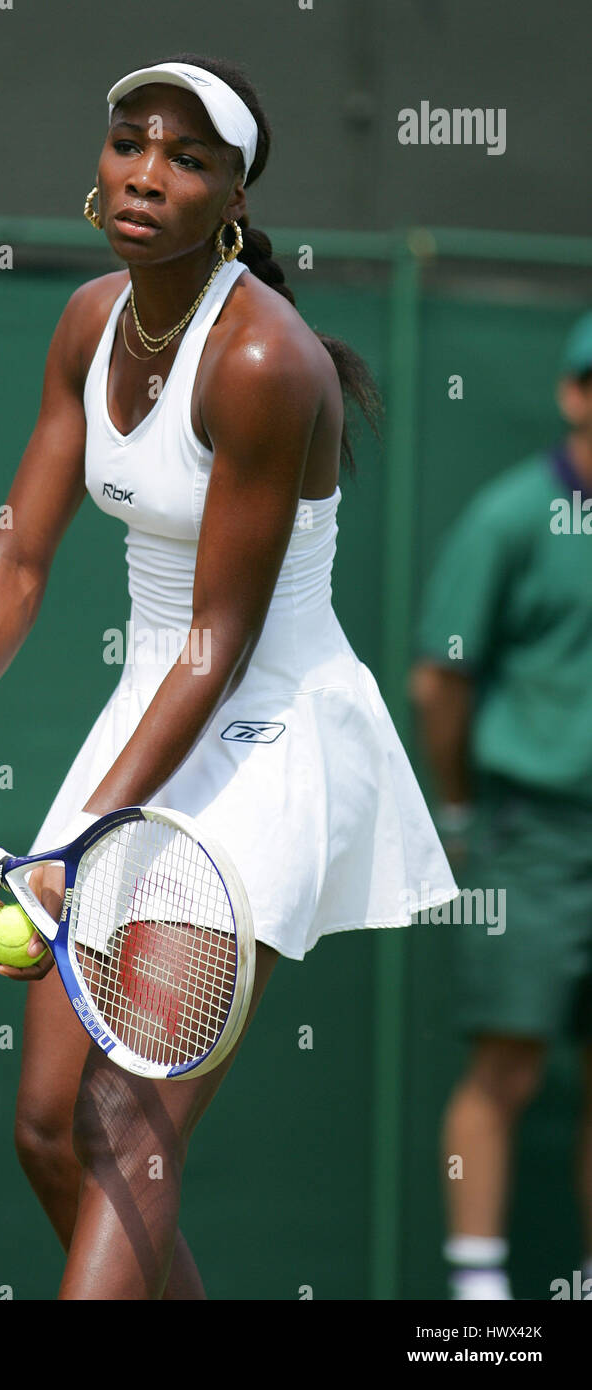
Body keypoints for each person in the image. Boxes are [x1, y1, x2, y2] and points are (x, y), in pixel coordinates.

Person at [0, 53, 458, 1300]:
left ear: (233, 196)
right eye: (130, 143)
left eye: (188, 159)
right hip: (148, 711)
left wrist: (80, 839)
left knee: (127, 1126)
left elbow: (220, 641)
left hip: (262, 724)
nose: (148, 174)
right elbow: (19, 549)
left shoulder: (263, 362)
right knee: (48, 1127)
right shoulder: (91, 318)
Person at [410, 310, 592, 1301]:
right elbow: (440, 679)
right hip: (529, 837)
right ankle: (477, 1298)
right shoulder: (509, 516)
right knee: (506, 1068)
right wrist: (460, 809)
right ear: (572, 393)